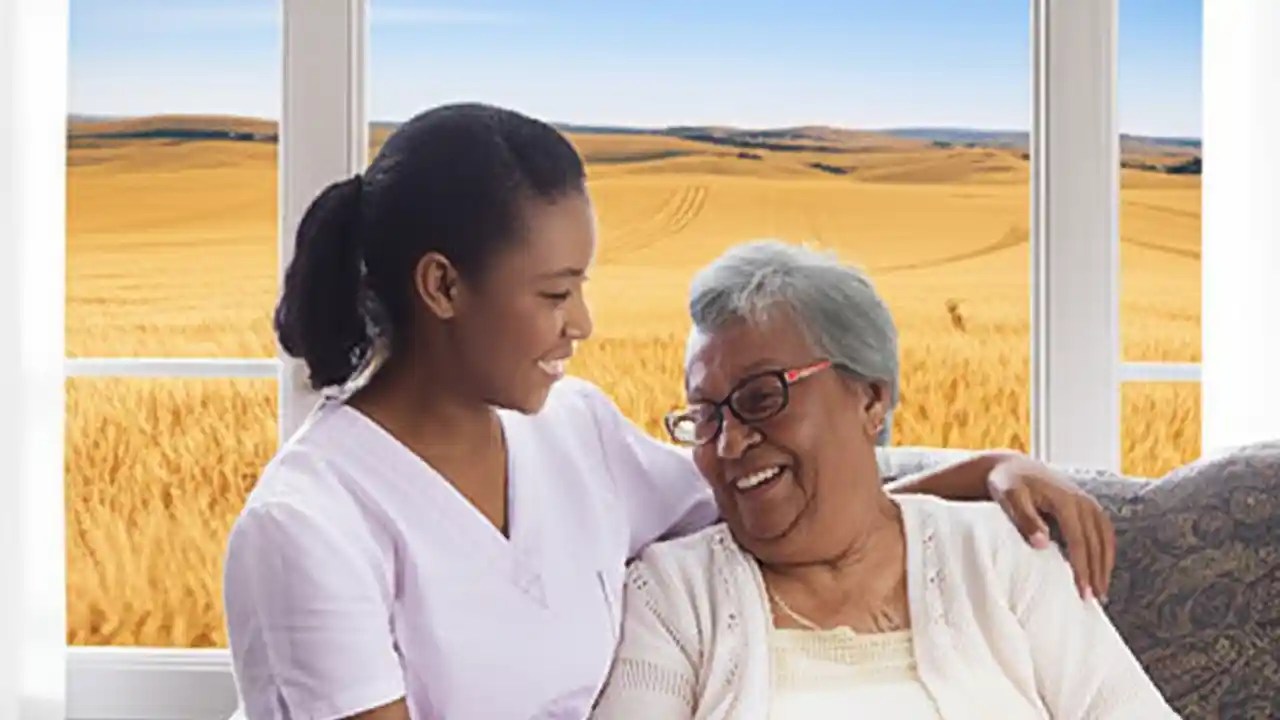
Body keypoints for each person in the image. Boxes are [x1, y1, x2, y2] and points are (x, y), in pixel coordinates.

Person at [222, 103, 1118, 720]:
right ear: (443, 285)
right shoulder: (306, 528)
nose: (583, 323)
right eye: (554, 292)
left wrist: (995, 469)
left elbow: (776, 492)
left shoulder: (573, 431)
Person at [590, 240, 1176, 719]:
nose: (729, 442)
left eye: (763, 397)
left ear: (871, 399)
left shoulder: (1007, 555)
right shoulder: (671, 595)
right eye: (707, 415)